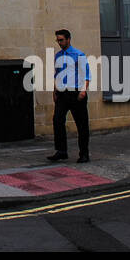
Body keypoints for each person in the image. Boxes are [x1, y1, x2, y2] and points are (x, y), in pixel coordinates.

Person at [48, 28, 91, 163]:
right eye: (58, 40)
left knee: (82, 125)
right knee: (57, 120)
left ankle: (84, 154)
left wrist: (83, 91)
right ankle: (61, 151)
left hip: (77, 94)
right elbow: (57, 75)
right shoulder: (58, 56)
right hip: (62, 94)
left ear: (68, 39)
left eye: (61, 40)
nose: (59, 43)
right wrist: (55, 92)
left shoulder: (79, 55)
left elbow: (86, 75)